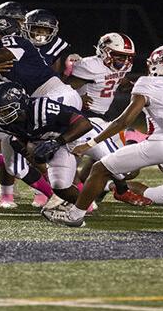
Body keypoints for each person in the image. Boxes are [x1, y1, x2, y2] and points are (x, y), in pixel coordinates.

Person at [48, 45, 163, 228]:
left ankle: (75, 216)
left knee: (100, 169)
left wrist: (91, 143)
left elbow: (123, 122)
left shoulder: (146, 83)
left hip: (161, 144)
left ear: (159, 64)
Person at [65, 32, 151, 206]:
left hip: (101, 117)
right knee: (114, 157)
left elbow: (119, 79)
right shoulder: (89, 66)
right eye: (119, 56)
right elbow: (62, 90)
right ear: (104, 51)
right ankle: (122, 191)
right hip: (83, 118)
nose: (124, 61)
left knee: (130, 169)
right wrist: (76, 98)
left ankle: (91, 187)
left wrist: (132, 86)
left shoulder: (121, 67)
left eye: (127, 57)